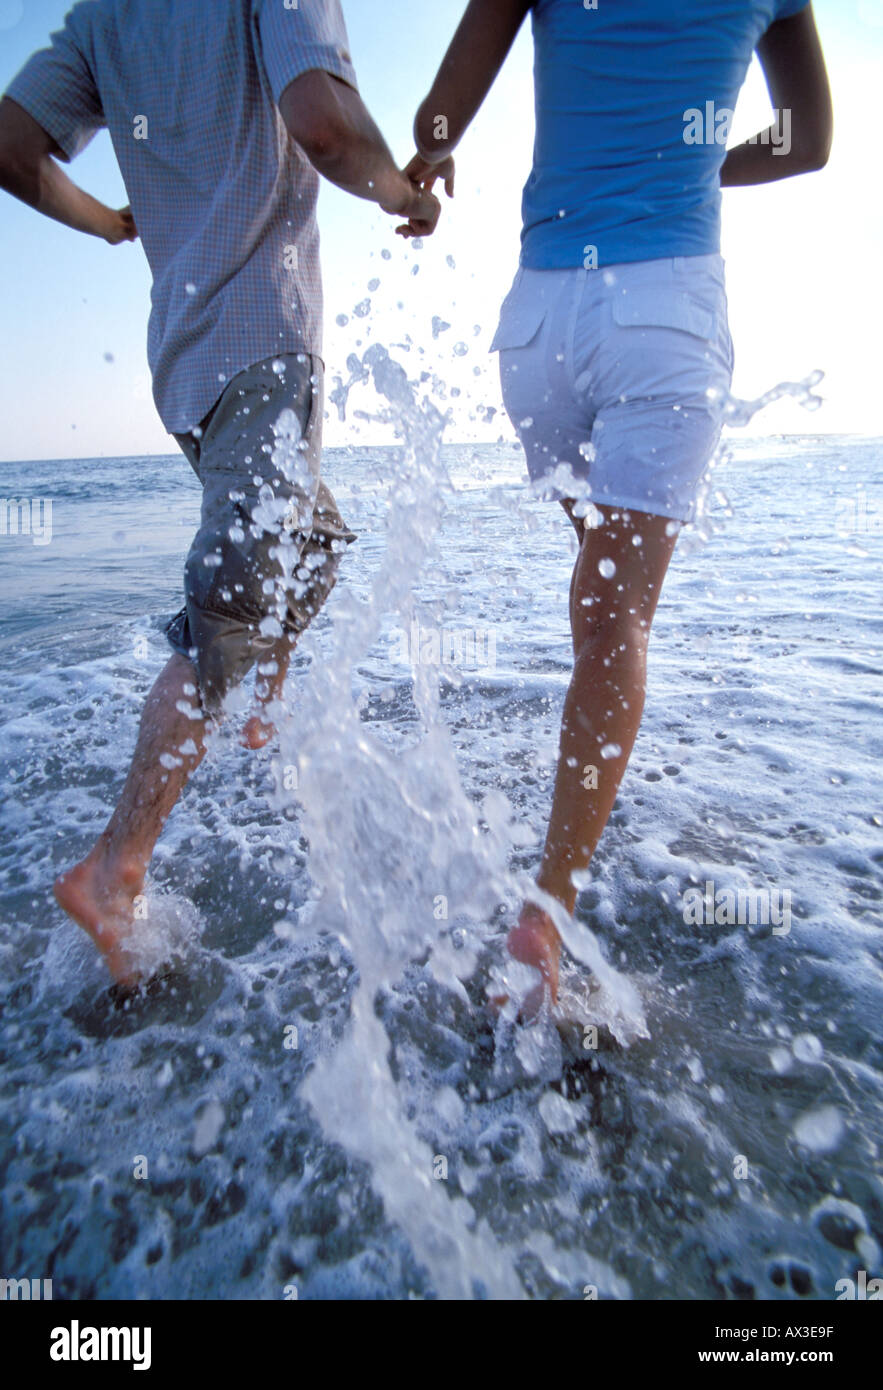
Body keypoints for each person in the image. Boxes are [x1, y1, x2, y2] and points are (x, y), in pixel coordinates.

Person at [0, 0, 448, 988]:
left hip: (189, 374)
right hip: (263, 349)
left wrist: (109, 220)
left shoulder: (101, 17)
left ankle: (261, 692)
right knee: (223, 616)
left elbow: (12, 142)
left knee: (318, 538)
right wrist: (398, 192)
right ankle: (115, 868)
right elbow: (321, 119)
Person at [406, 0, 832, 1010]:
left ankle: (563, 826)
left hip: (540, 321)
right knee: (617, 619)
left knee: (597, 593)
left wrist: (427, 161)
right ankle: (547, 912)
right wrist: (694, 160)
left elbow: (441, 112)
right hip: (665, 310)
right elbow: (806, 141)